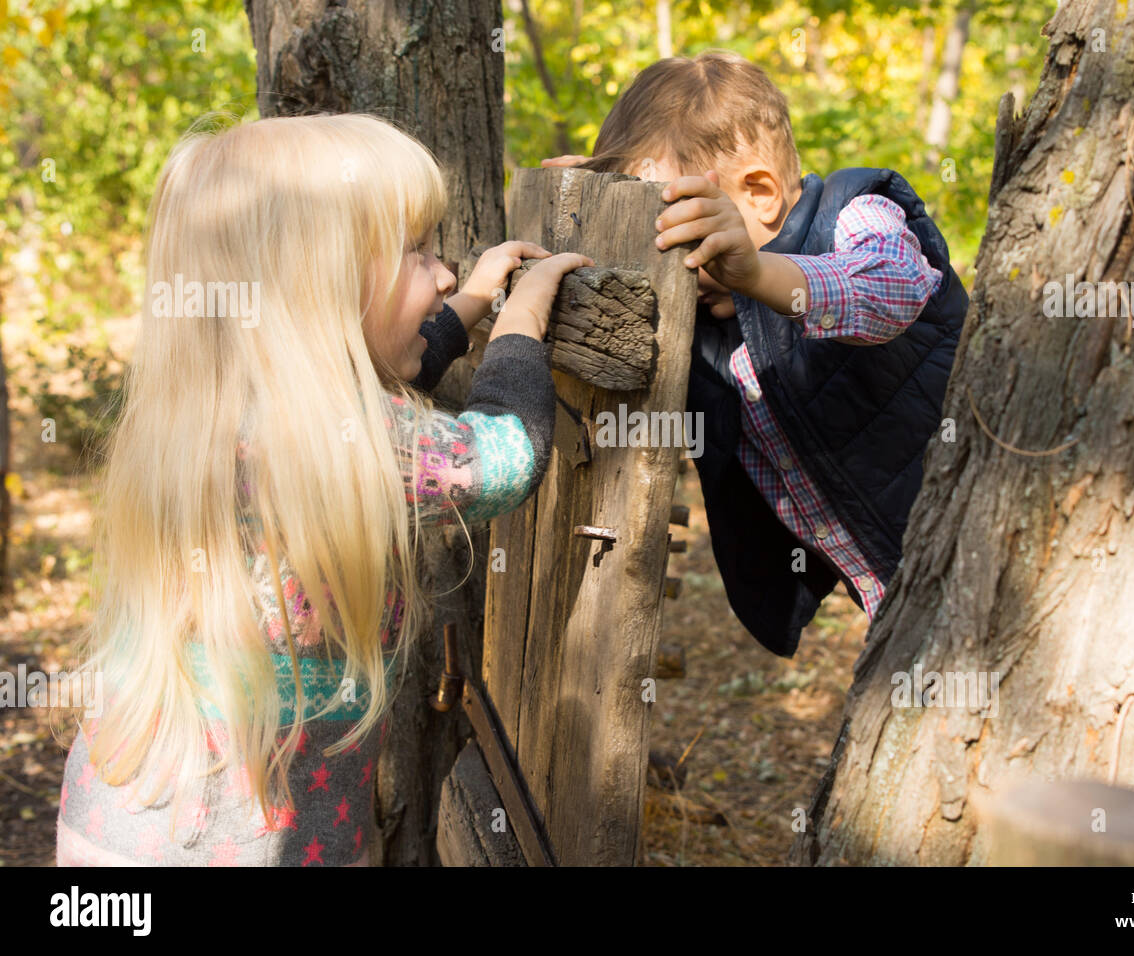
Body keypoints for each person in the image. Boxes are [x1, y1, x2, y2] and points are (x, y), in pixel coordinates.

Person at [56, 112, 591, 865]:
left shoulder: (210, 408)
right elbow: (504, 455)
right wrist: (522, 323)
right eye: (416, 252)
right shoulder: (339, 438)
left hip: (119, 829)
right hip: (237, 847)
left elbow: (377, 382)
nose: (441, 272)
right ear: (320, 286)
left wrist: (467, 304)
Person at [543, 50, 968, 657]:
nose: (654, 244)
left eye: (668, 218)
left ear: (760, 194)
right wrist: (584, 215)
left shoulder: (854, 213)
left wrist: (759, 273)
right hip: (893, 594)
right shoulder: (699, 320)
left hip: (979, 540)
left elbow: (891, 289)